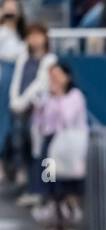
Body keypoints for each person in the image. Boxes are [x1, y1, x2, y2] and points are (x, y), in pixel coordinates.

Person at [30, 60, 88, 230]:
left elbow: (68, 118)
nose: (54, 80)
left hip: (68, 146)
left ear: (67, 76)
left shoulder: (75, 96)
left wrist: (59, 97)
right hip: (50, 145)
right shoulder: (46, 96)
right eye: (51, 76)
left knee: (68, 186)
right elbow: (40, 122)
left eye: (57, 75)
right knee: (50, 183)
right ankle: (54, 222)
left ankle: (69, 224)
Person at [6, 22, 53, 204]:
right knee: (30, 152)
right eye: (31, 35)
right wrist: (17, 102)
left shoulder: (49, 62)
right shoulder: (23, 58)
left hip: (51, 130)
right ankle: (35, 190)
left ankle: (50, 194)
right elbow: (17, 82)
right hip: (32, 119)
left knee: (49, 161)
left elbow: (39, 87)